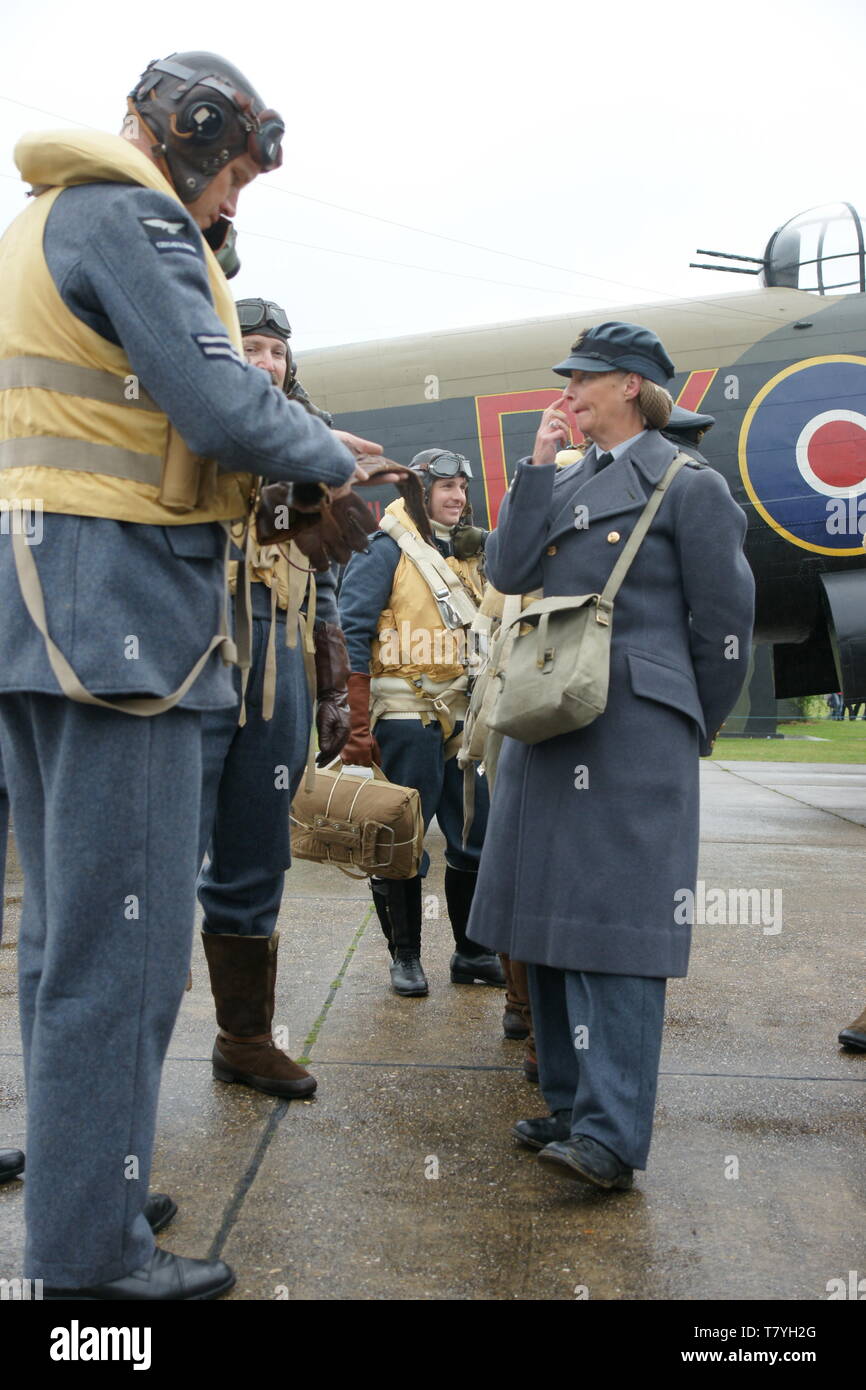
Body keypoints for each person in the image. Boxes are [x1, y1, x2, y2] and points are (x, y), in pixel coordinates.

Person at [0, 51, 379, 1299]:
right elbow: (219, 405)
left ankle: (84, 1185)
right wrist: (327, 454)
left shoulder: (46, 219)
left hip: (49, 615)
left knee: (65, 945)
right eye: (228, 181)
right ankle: (91, 1263)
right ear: (195, 139)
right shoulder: (133, 214)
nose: (228, 211)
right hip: (126, 632)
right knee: (124, 953)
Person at [468, 322, 754, 1191]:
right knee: (544, 920)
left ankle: (612, 1135)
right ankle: (566, 1101)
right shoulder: (570, 476)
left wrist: (681, 721)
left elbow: (727, 627)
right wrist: (535, 464)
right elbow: (511, 567)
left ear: (630, 385)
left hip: (631, 729)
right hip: (551, 722)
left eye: (583, 380)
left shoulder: (686, 482)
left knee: (618, 932)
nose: (569, 392)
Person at [197, 296, 352, 1099]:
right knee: (160, 856)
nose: (263, 363)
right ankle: (118, 1055)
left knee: (258, 849)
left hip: (282, 659)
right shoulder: (196, 415)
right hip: (200, 649)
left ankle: (245, 1039)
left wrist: (332, 691)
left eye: (275, 352)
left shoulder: (311, 448)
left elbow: (324, 583)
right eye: (247, 347)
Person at [338, 450, 505, 996]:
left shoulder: (468, 553)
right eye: (445, 487)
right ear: (419, 493)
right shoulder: (384, 548)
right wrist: (356, 727)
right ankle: (404, 957)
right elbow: (351, 633)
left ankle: (474, 952)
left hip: (466, 719)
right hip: (405, 718)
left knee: (476, 840)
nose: (456, 497)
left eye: (461, 487)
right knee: (400, 844)